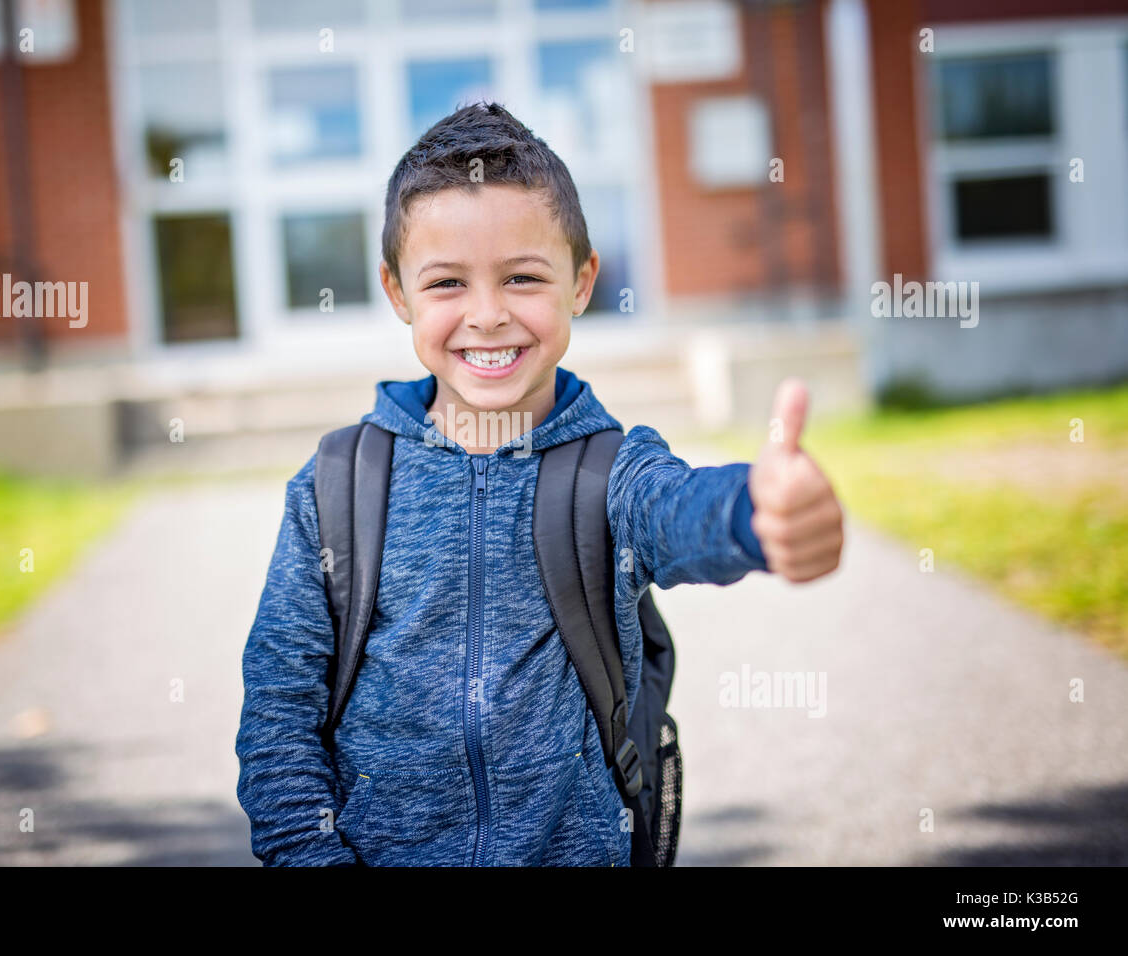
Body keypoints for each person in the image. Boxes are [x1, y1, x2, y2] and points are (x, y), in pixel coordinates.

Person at [235, 101, 843, 866]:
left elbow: (680, 509)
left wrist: (758, 511)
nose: (487, 317)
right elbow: (279, 714)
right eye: (447, 283)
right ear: (396, 293)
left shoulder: (613, 469)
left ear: (582, 282)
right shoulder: (335, 488)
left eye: (522, 277)